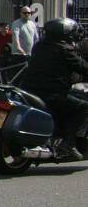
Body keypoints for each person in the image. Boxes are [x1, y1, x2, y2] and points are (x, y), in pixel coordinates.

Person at [15, 18, 88, 159]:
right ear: (63, 33)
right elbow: (82, 67)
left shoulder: (39, 46)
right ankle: (68, 144)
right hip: (51, 94)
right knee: (83, 107)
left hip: (29, 90)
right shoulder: (64, 50)